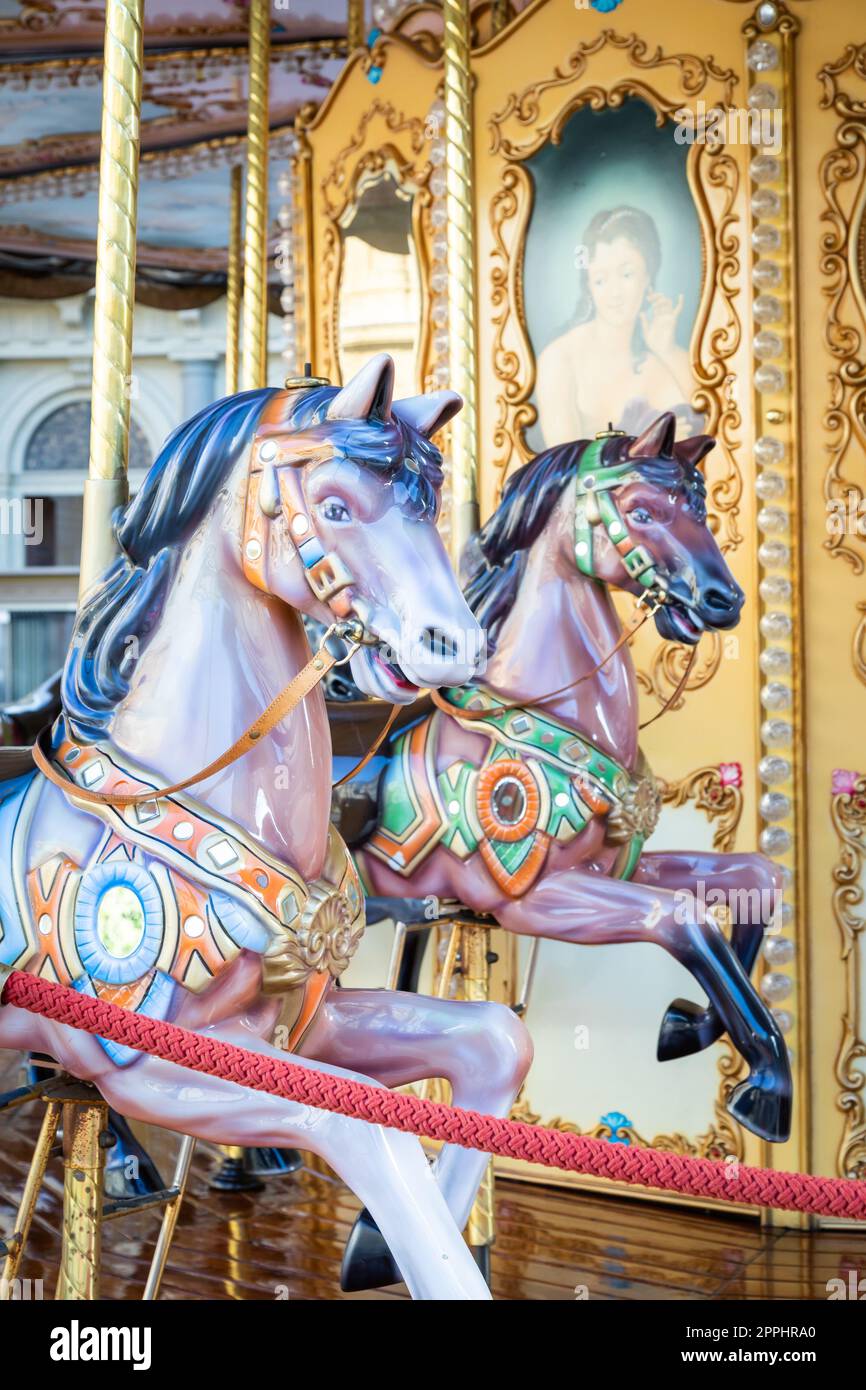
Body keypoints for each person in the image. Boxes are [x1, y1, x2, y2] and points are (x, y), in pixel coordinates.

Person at [535, 205, 701, 446]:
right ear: (589, 286)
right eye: (601, 280)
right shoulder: (560, 359)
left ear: (647, 277)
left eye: (626, 275)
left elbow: (719, 416)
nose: (615, 293)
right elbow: (564, 464)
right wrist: (650, 448)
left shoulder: (659, 357)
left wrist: (667, 350)